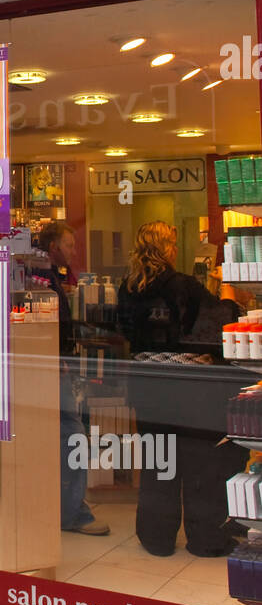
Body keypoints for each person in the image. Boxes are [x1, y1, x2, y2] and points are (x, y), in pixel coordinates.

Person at [117, 220, 243, 557]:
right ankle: (205, 539)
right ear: (167, 248)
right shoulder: (183, 286)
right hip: (187, 388)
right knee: (199, 464)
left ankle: (156, 537)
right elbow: (219, 326)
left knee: (159, 462)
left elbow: (126, 332)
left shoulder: (127, 288)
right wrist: (228, 294)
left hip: (146, 385)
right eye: (172, 243)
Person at [39, 219, 110, 537]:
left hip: (52, 366)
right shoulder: (43, 277)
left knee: (62, 437)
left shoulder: (48, 276)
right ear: (54, 247)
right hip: (52, 370)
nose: (74, 250)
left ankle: (62, 508)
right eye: (69, 245)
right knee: (73, 436)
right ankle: (73, 513)